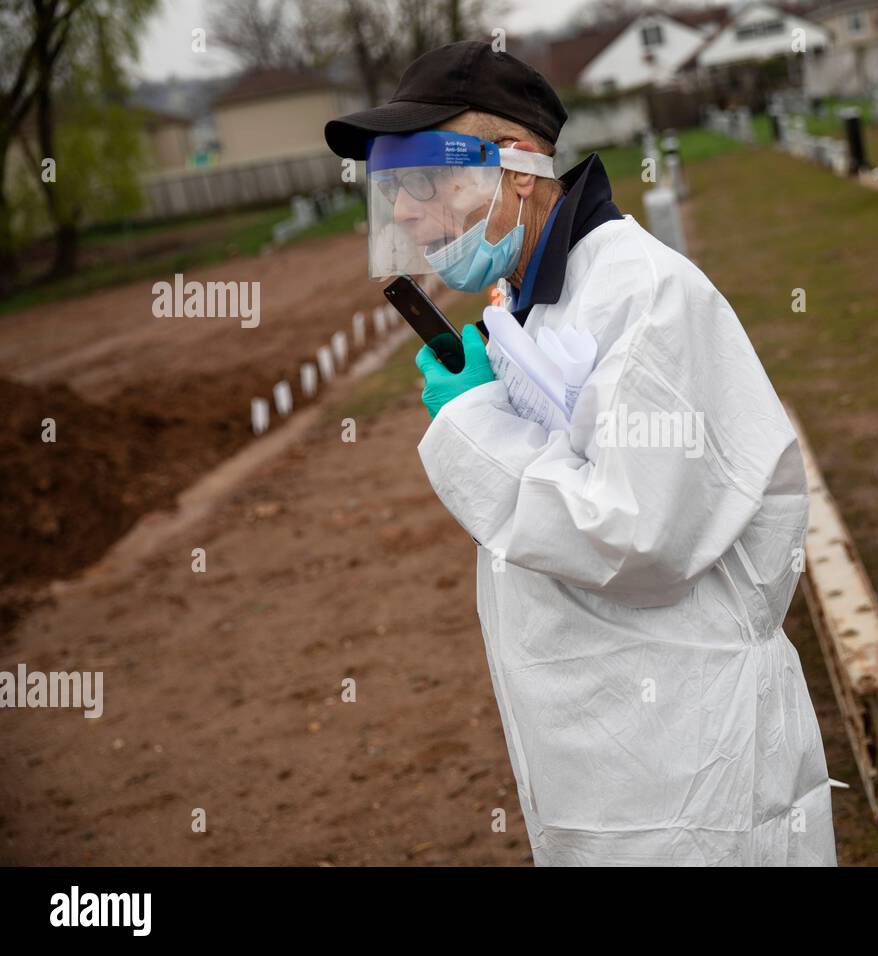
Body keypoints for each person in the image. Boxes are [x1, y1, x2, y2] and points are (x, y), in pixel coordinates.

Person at [325, 40, 837, 866]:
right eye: (393, 190)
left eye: (426, 180)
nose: (408, 215)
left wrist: (476, 422)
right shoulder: (538, 299)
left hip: (687, 767)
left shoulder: (643, 295)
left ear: (518, 171)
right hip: (614, 761)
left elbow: (632, 532)